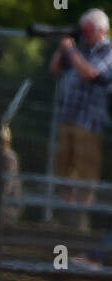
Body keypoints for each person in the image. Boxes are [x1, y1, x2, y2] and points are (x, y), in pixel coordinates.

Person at [49, 8, 112, 233]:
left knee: (86, 173)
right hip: (69, 117)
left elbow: (90, 74)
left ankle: (80, 223)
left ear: (101, 30)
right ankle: (65, 216)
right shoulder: (80, 49)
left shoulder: (108, 50)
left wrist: (71, 51)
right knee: (64, 168)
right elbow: (55, 69)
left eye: (88, 30)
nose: (84, 34)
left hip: (90, 123)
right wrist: (62, 48)